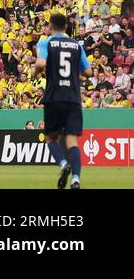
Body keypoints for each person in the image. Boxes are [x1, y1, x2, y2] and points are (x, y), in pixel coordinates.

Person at [34, 12, 92, 189]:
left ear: (50, 27)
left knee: (51, 139)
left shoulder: (46, 42)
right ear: (66, 28)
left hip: (54, 97)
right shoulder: (76, 45)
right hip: (73, 98)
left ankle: (62, 164)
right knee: (72, 140)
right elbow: (88, 72)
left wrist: (34, 72)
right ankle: (75, 179)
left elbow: (41, 64)